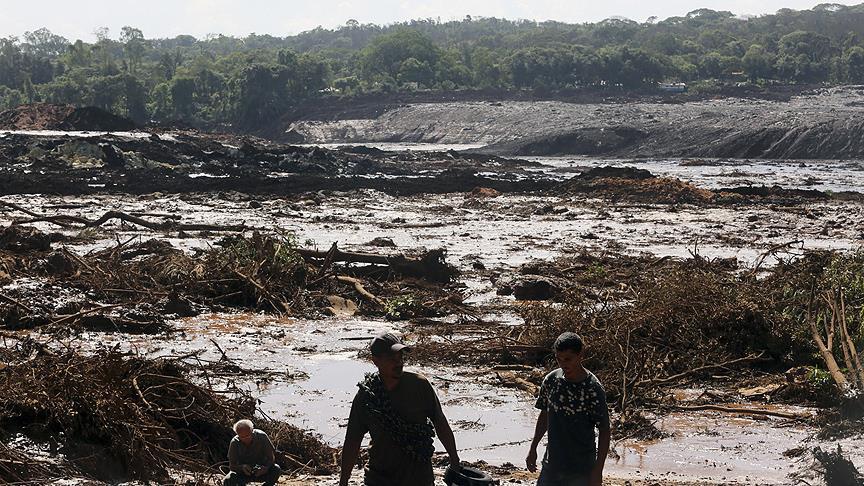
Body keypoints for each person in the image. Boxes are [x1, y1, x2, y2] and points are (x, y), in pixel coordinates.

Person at [340, 332, 461, 486]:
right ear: (375, 361)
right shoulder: (367, 396)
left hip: (418, 478)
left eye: (400, 358)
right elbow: (352, 440)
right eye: (391, 359)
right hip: (379, 478)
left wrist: (455, 461)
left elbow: (440, 423)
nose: (398, 363)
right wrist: (343, 481)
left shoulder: (419, 386)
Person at [526, 332, 610, 486]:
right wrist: (533, 448)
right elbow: (544, 415)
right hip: (552, 466)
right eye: (559, 359)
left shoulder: (592, 388)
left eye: (568, 359)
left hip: (581, 470)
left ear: (580, 355)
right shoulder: (551, 381)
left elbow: (604, 430)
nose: (564, 364)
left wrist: (597, 471)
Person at [223, 419, 282, 486]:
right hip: (244, 474)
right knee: (228, 479)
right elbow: (232, 466)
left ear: (252, 431)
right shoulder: (234, 442)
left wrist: (265, 468)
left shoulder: (262, 436)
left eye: (248, 436)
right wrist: (242, 467)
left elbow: (271, 457)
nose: (245, 439)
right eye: (242, 437)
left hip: (261, 472)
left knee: (276, 469)